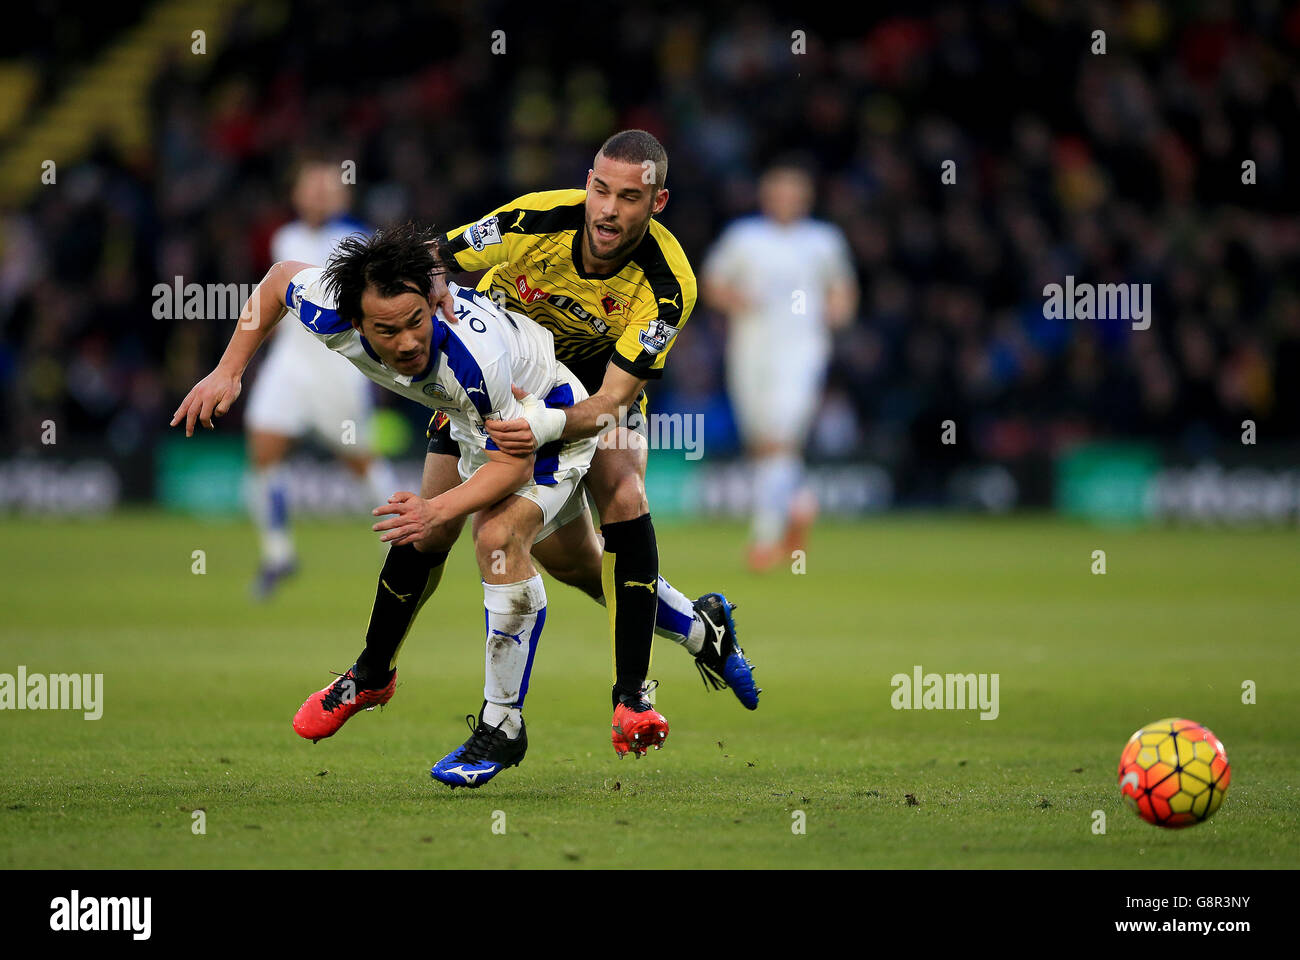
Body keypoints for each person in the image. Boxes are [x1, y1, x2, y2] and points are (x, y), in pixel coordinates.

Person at [171, 224, 672, 785]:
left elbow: (515, 462)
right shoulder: (331, 311)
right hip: (471, 421)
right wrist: (228, 369)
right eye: (388, 330)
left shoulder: (472, 361)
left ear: (432, 305)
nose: (408, 341)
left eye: (417, 322)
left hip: (542, 419)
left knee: (495, 540)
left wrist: (441, 508)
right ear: (355, 323)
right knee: (428, 536)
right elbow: (279, 280)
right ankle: (371, 676)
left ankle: (503, 726)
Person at [420, 130, 759, 734]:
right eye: (600, 189)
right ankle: (701, 630)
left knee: (625, 493)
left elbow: (612, 400)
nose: (608, 208)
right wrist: (436, 281)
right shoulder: (532, 219)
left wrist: (542, 424)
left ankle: (631, 696)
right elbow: (436, 254)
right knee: (577, 566)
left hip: (596, 396)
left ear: (656, 204)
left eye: (629, 197)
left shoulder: (667, 284)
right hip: (507, 385)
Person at [243, 158, 397, 599]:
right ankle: (278, 554)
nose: (317, 195)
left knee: (360, 460)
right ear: (296, 194)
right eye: (310, 187)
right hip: (289, 362)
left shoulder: (357, 242)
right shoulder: (284, 238)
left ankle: (404, 542)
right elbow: (275, 302)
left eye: (327, 188)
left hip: (337, 367)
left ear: (342, 195)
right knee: (263, 450)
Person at [701, 159, 858, 571]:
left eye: (794, 194)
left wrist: (837, 312)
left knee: (780, 438)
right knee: (760, 442)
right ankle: (801, 502)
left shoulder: (823, 240)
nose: (787, 201)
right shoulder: (745, 236)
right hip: (750, 350)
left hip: (801, 351)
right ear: (766, 197)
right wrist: (737, 300)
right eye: (779, 193)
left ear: (806, 198)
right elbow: (712, 282)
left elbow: (843, 289)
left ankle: (766, 537)